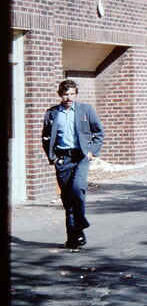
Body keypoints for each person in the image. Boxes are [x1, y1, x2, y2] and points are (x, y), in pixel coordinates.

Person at [42, 79, 105, 249]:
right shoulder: (52, 113)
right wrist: (52, 157)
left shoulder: (86, 110)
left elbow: (98, 132)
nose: (69, 97)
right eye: (65, 94)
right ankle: (74, 237)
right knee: (67, 199)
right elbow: (46, 137)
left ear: (76, 94)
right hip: (62, 159)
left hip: (81, 158)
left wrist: (92, 152)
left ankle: (79, 226)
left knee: (77, 190)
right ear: (60, 95)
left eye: (72, 94)